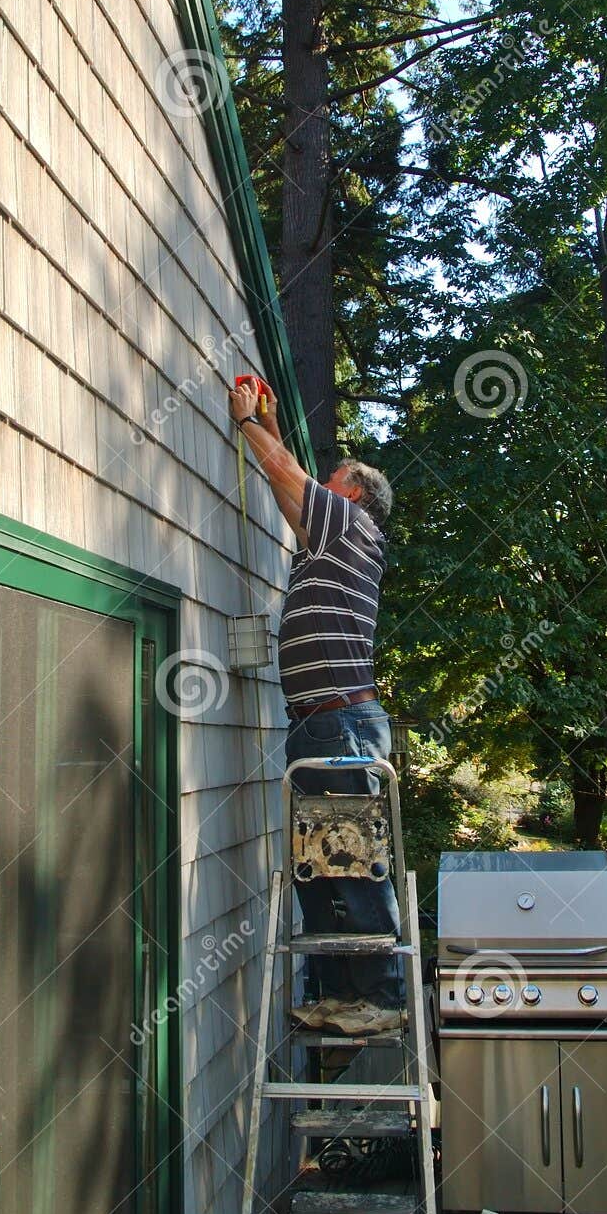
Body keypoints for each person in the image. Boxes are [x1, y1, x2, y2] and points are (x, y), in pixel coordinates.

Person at [227, 377, 401, 1036]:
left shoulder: (352, 526)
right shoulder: (324, 540)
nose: (324, 485)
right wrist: (268, 423)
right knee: (317, 870)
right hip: (318, 724)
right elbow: (289, 490)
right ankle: (339, 994)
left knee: (351, 864)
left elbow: (292, 482)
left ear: (354, 493)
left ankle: (380, 1001)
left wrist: (248, 423)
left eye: (335, 478)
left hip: (341, 723)